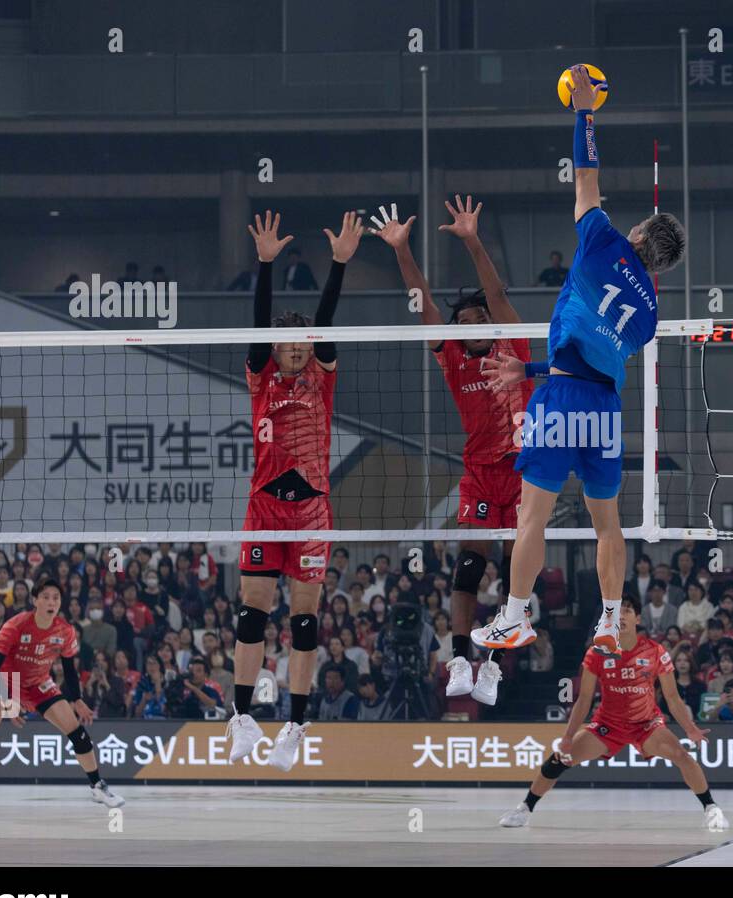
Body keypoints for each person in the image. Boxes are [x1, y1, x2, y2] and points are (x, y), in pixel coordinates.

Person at [474, 64, 685, 657]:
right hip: (603, 410)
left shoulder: (603, 240)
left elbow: (586, 175)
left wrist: (584, 112)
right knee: (607, 524)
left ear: (641, 236)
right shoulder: (649, 316)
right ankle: (612, 619)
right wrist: (528, 370)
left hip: (561, 401)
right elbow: (596, 356)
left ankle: (515, 616)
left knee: (531, 518)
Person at [370, 196, 535, 707]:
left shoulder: (515, 346)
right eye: (464, 321)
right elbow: (422, 299)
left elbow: (496, 291)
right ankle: (460, 657)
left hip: (527, 472)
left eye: (479, 317)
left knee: (516, 578)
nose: (472, 324)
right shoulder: (453, 360)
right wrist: (402, 251)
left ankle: (493, 668)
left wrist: (471, 240)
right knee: (468, 567)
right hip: (480, 474)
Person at [226, 208, 363, 773]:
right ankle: (241, 719)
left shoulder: (320, 379)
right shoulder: (261, 379)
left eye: (304, 344)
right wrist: (264, 264)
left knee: (304, 621)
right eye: (289, 344)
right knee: (253, 614)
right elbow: (259, 326)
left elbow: (326, 320)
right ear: (275, 349)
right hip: (264, 507)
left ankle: (296, 726)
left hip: (309, 510)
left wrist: (338, 265)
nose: (298, 349)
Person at [497, 594, 726, 831]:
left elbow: (672, 697)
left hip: (646, 724)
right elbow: (584, 699)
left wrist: (690, 729)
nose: (621, 615)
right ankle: (524, 809)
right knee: (559, 761)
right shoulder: (598, 652)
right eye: (616, 611)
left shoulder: (655, 651)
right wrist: (567, 738)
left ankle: (712, 808)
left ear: (637, 618)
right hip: (608, 725)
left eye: (627, 610)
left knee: (682, 755)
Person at [0, 579, 124, 809]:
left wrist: (77, 700)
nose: (51, 601)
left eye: (56, 597)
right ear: (35, 600)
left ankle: (97, 787)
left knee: (78, 734)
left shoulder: (65, 630)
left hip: (39, 683)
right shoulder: (15, 625)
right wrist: (7, 701)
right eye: (45, 597)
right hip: (6, 680)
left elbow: (69, 670)